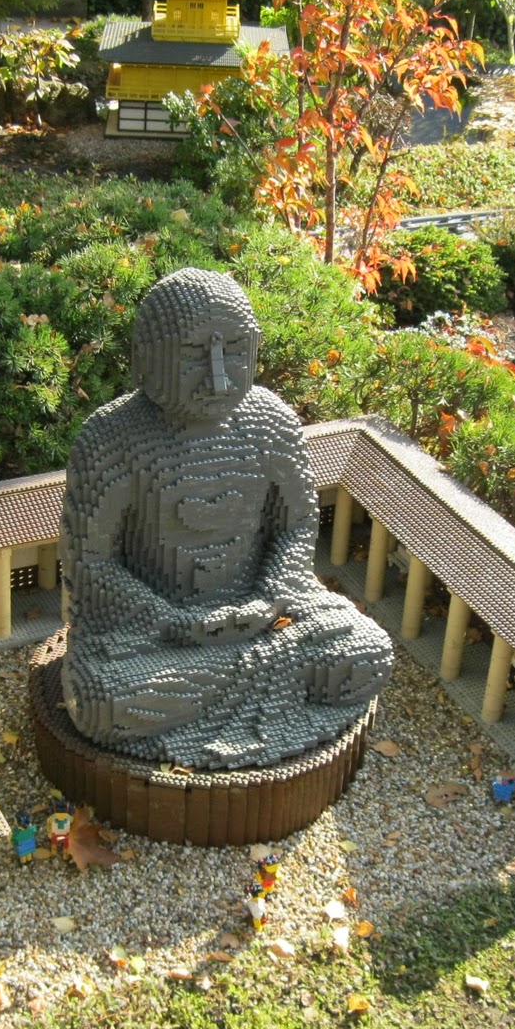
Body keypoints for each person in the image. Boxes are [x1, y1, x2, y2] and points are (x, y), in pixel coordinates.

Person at [60, 268, 393, 768]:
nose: (218, 376)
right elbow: (88, 563)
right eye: (195, 354)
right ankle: (260, 677)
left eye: (235, 351)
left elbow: (296, 525)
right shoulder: (110, 439)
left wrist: (272, 594)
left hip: (262, 618)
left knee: (368, 650)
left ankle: (235, 676)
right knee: (98, 699)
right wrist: (175, 623)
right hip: (156, 634)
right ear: (147, 360)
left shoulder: (271, 422)